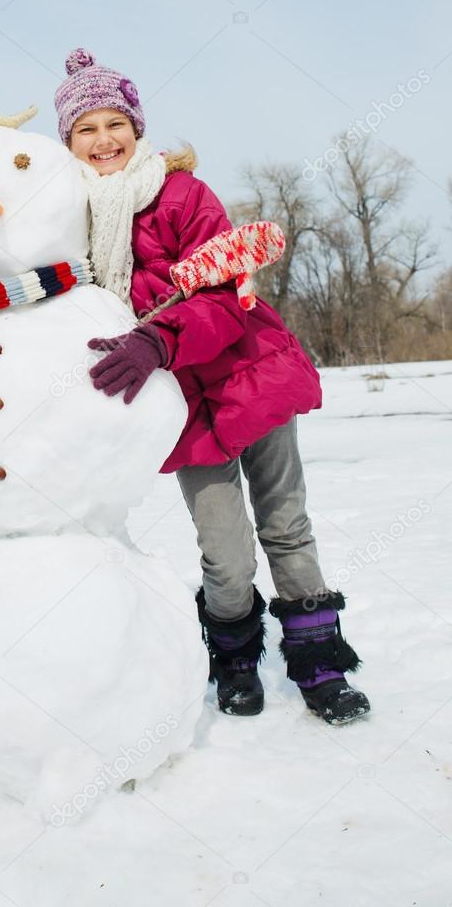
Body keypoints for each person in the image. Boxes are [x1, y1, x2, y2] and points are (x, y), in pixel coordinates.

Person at [54, 48, 370, 725]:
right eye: (86, 128)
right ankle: (233, 655)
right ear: (67, 142)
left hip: (246, 374)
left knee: (285, 524)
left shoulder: (181, 196)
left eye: (115, 123)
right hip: (180, 407)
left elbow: (227, 298)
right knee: (223, 549)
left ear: (137, 128)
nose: (104, 139)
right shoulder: (63, 220)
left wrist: (157, 336)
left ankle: (317, 661)